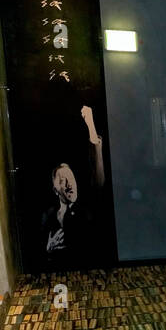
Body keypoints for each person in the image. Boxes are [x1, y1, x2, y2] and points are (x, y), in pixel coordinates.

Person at [42, 105, 104, 265]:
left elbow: (98, 179)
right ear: (55, 189)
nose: (69, 183)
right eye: (62, 180)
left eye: (71, 177)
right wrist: (48, 249)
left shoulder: (86, 207)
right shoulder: (48, 217)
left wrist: (90, 123)